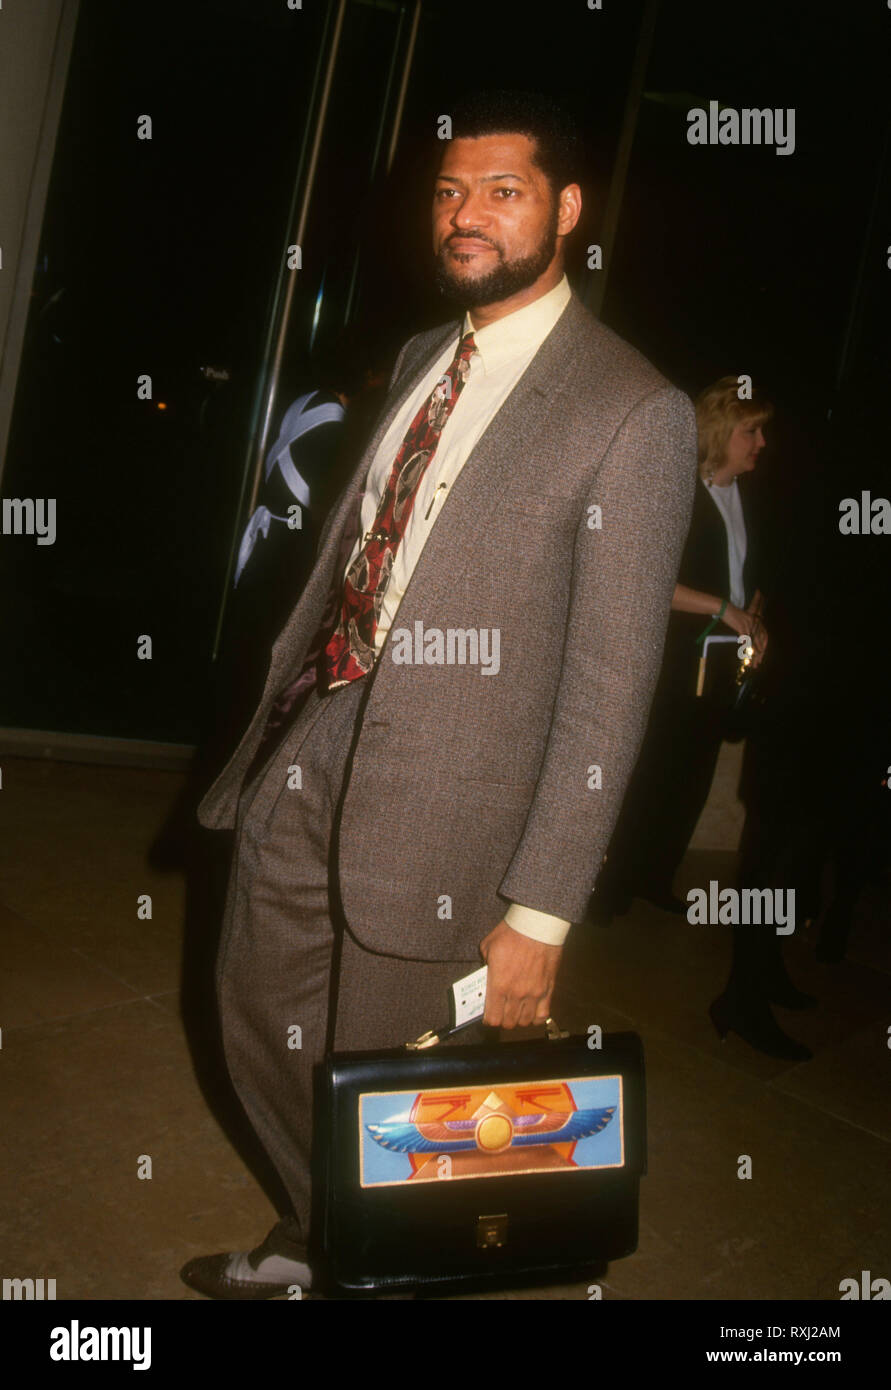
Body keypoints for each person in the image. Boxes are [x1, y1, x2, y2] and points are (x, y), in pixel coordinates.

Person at [180, 89, 697, 1299]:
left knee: (406, 1102)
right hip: (320, 730)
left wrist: (542, 913)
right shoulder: (422, 358)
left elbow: (611, 685)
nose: (466, 215)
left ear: (568, 211)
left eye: (502, 191)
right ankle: (329, 1227)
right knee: (254, 1001)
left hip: (459, 810)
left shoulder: (635, 410)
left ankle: (374, 1262)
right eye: (450, 190)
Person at [592, 376, 773, 923]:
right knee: (649, 773)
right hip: (670, 659)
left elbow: (752, 577)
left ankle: (655, 876)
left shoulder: (750, 495)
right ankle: (609, 889)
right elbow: (649, 580)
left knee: (693, 775)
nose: (760, 444)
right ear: (720, 431)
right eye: (751, 431)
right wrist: (725, 609)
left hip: (718, 662)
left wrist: (757, 621)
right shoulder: (675, 490)